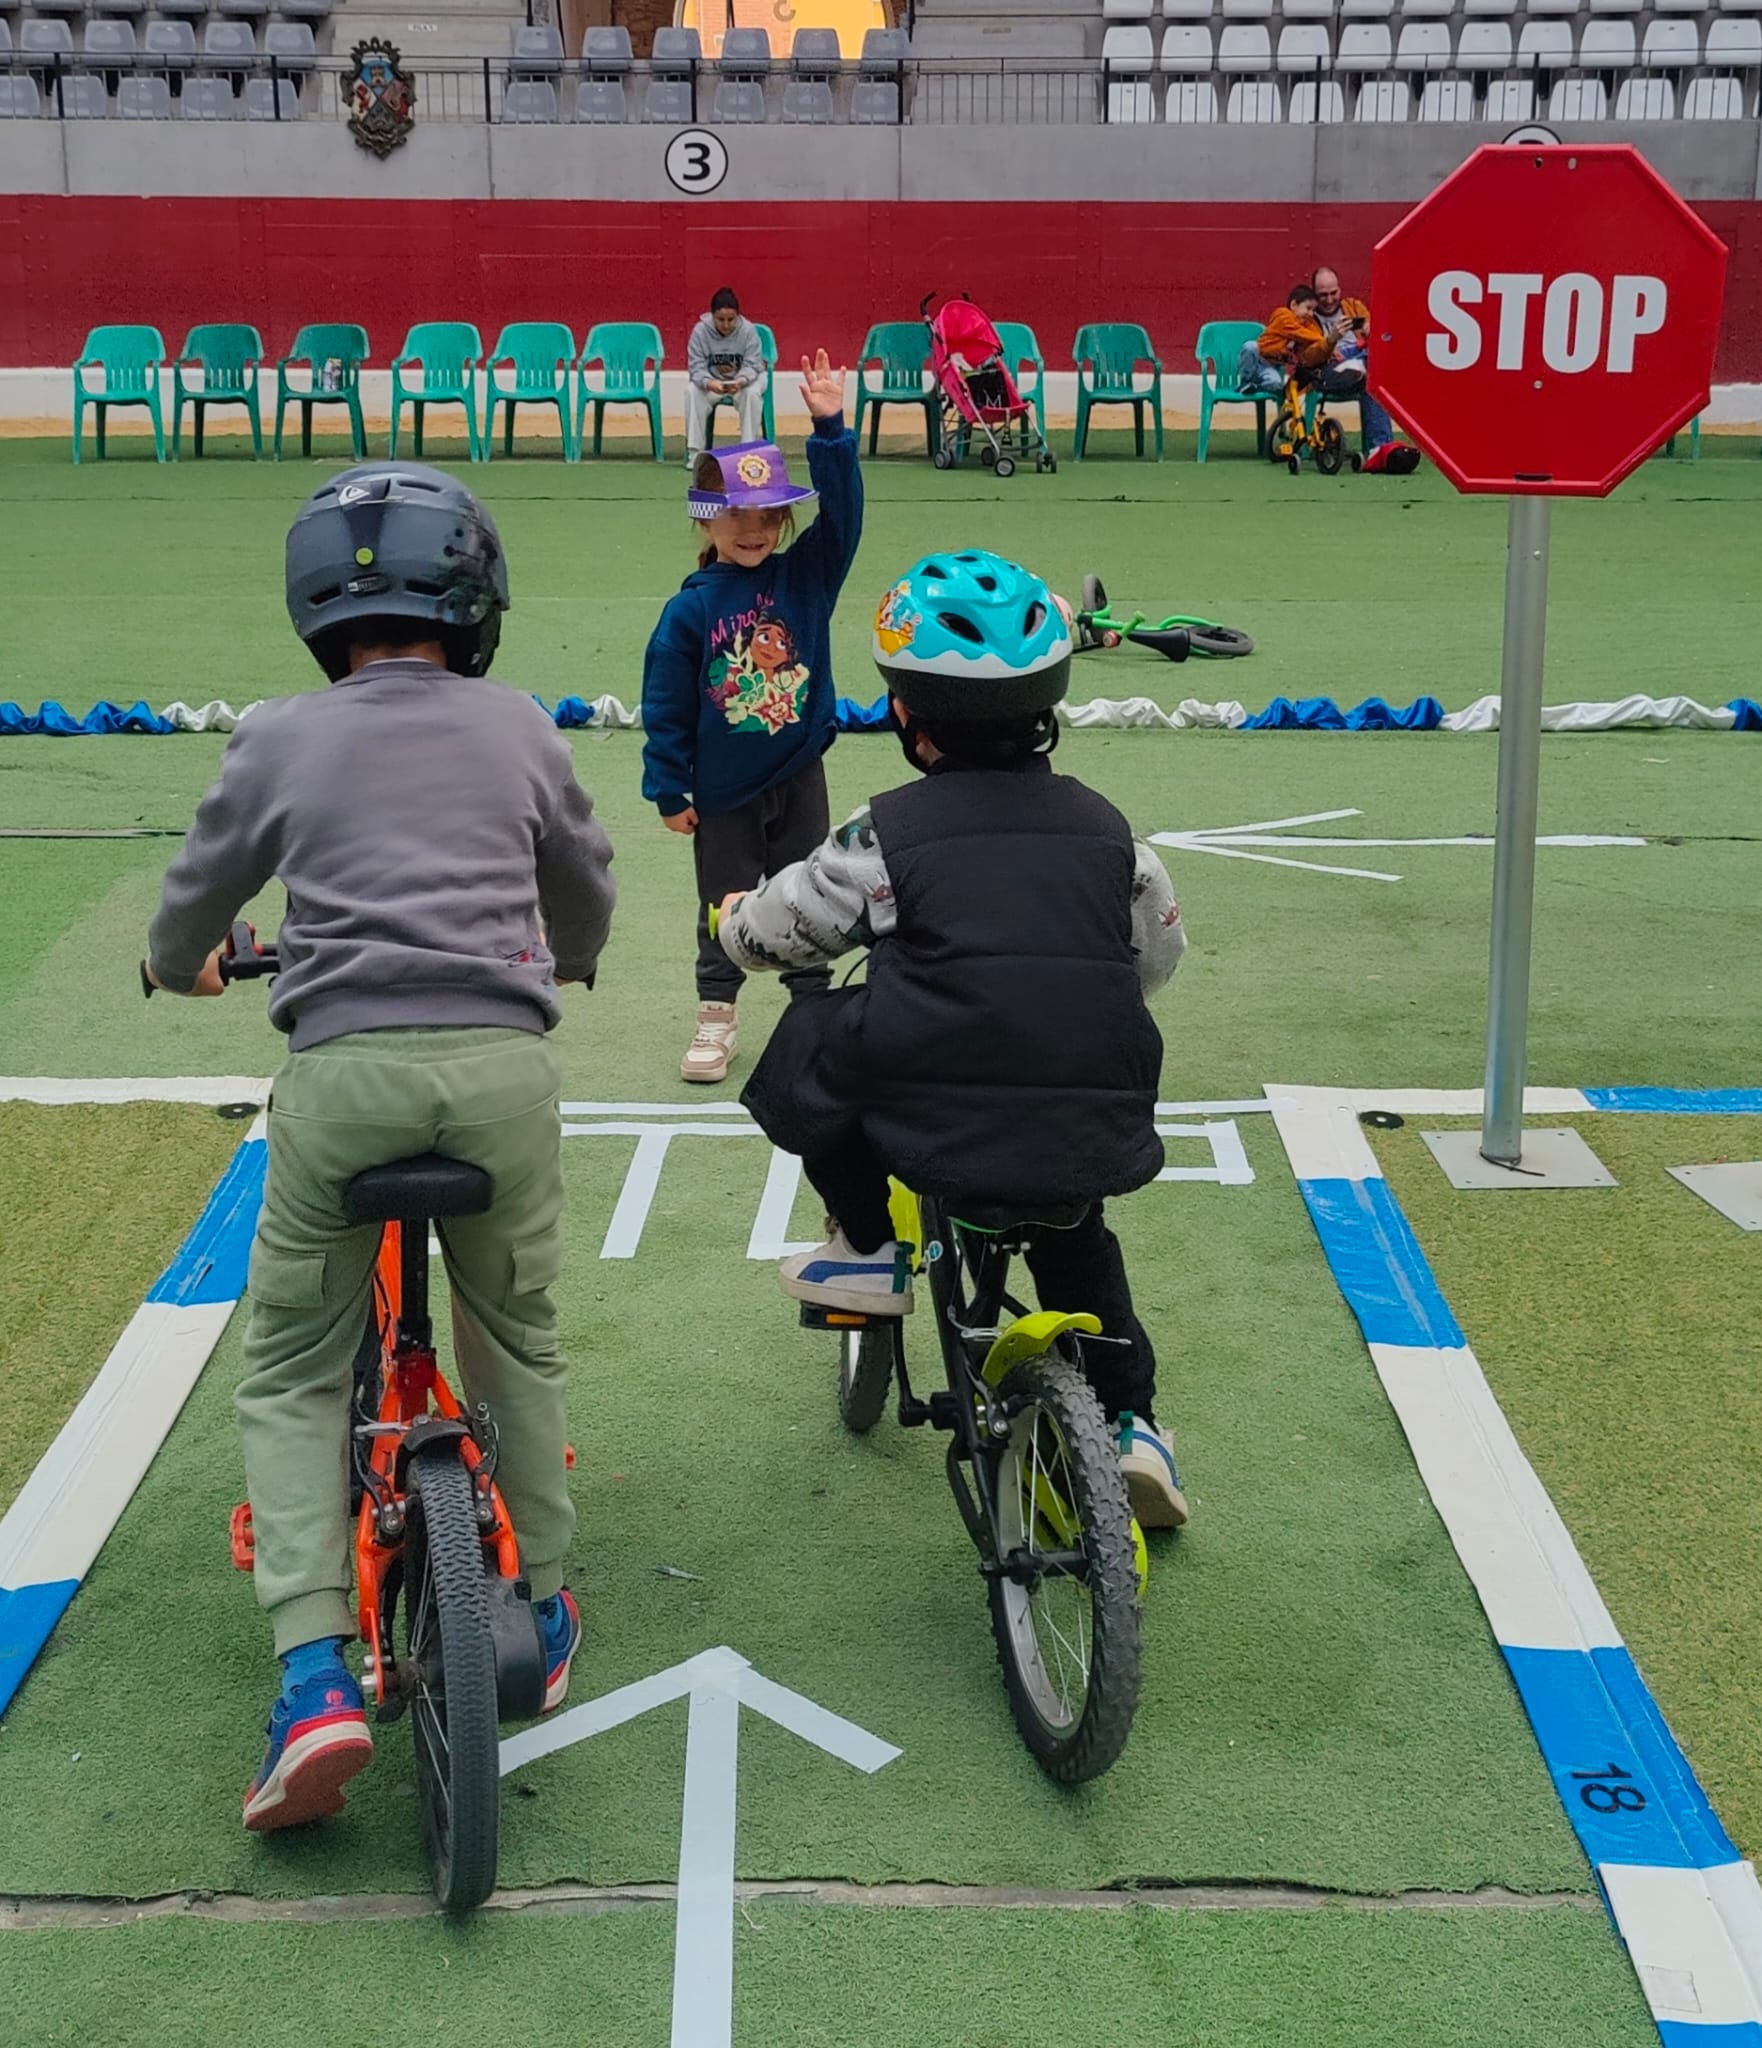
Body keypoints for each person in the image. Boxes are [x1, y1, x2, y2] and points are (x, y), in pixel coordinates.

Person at [142, 462, 617, 1833]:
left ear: (316, 606)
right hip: (501, 1075)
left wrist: (183, 963)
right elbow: (579, 880)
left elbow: (200, 890)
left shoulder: (282, 732)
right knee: (514, 1334)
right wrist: (570, 957)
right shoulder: (519, 722)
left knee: (292, 1364)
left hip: (342, 1077)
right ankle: (542, 1603)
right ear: (474, 601)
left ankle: (311, 1676)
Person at [715, 550, 1190, 1528]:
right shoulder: (1112, 833)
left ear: (904, 714)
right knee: (1077, 1239)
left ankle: (869, 1246)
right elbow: (1154, 959)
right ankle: (1133, 1424)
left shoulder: (879, 835)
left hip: (930, 1114)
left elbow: (775, 932)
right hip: (1088, 1112)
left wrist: (728, 921)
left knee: (814, 1032)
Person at [641, 349, 861, 1085]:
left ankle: (814, 1017)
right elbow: (666, 706)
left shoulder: (807, 577)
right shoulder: (691, 609)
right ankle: (716, 1018)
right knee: (722, 907)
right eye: (736, 514)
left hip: (799, 774)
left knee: (813, 896)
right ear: (707, 520)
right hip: (724, 791)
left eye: (769, 516)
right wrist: (669, 789)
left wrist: (829, 427)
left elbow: (846, 514)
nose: (754, 528)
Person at [1309, 266, 1421, 476]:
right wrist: (1331, 340)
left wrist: (1372, 332)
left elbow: (1376, 337)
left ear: (1339, 290)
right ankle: (1381, 448)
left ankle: (1380, 450)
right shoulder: (1308, 318)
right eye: (1323, 295)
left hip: (1361, 363)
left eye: (1333, 293)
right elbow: (1309, 358)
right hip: (1328, 371)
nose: (1329, 299)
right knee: (1372, 373)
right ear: (1314, 294)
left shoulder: (1353, 307)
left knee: (1373, 375)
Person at [685, 287, 767, 470]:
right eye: (720, 320)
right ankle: (695, 453)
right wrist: (709, 383)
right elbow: (695, 366)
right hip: (713, 382)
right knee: (692, 391)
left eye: (731, 319)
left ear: (738, 316)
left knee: (752, 394)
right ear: (712, 316)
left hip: (744, 382)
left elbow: (754, 364)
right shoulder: (700, 332)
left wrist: (741, 381)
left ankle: (748, 452)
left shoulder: (748, 331)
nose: (726, 325)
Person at [1237, 281, 1327, 400]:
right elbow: (1300, 332)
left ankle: (1254, 386)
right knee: (1250, 346)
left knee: (1276, 384)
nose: (1311, 314)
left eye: (1313, 310)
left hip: (1270, 366)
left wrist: (1327, 344)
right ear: (1294, 305)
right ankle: (1245, 382)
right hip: (1257, 358)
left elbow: (1313, 333)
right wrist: (1324, 340)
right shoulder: (1283, 315)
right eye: (1308, 308)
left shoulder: (1305, 324)